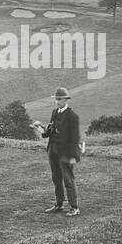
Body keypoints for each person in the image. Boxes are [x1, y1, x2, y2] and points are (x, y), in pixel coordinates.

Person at [32, 86, 84, 216]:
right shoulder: (55, 112)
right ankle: (59, 204)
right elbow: (48, 133)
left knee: (68, 180)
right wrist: (39, 128)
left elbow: (75, 138)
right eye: (56, 99)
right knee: (56, 179)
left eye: (60, 99)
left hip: (65, 154)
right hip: (53, 152)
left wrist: (73, 156)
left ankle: (74, 207)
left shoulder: (72, 116)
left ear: (66, 100)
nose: (57, 101)